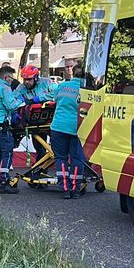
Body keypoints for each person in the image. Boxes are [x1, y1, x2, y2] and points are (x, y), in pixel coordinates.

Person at [50, 64, 88, 199]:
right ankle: (75, 190)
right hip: (77, 128)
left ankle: (65, 188)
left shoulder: (62, 86)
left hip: (58, 126)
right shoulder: (86, 90)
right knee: (77, 158)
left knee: (61, 158)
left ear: (73, 73)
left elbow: (54, 100)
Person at [0, 65, 22, 194]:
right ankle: (4, 181)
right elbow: (10, 105)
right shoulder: (4, 88)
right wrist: (20, 100)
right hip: (2, 124)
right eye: (11, 78)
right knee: (7, 152)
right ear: (6, 77)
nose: (12, 80)